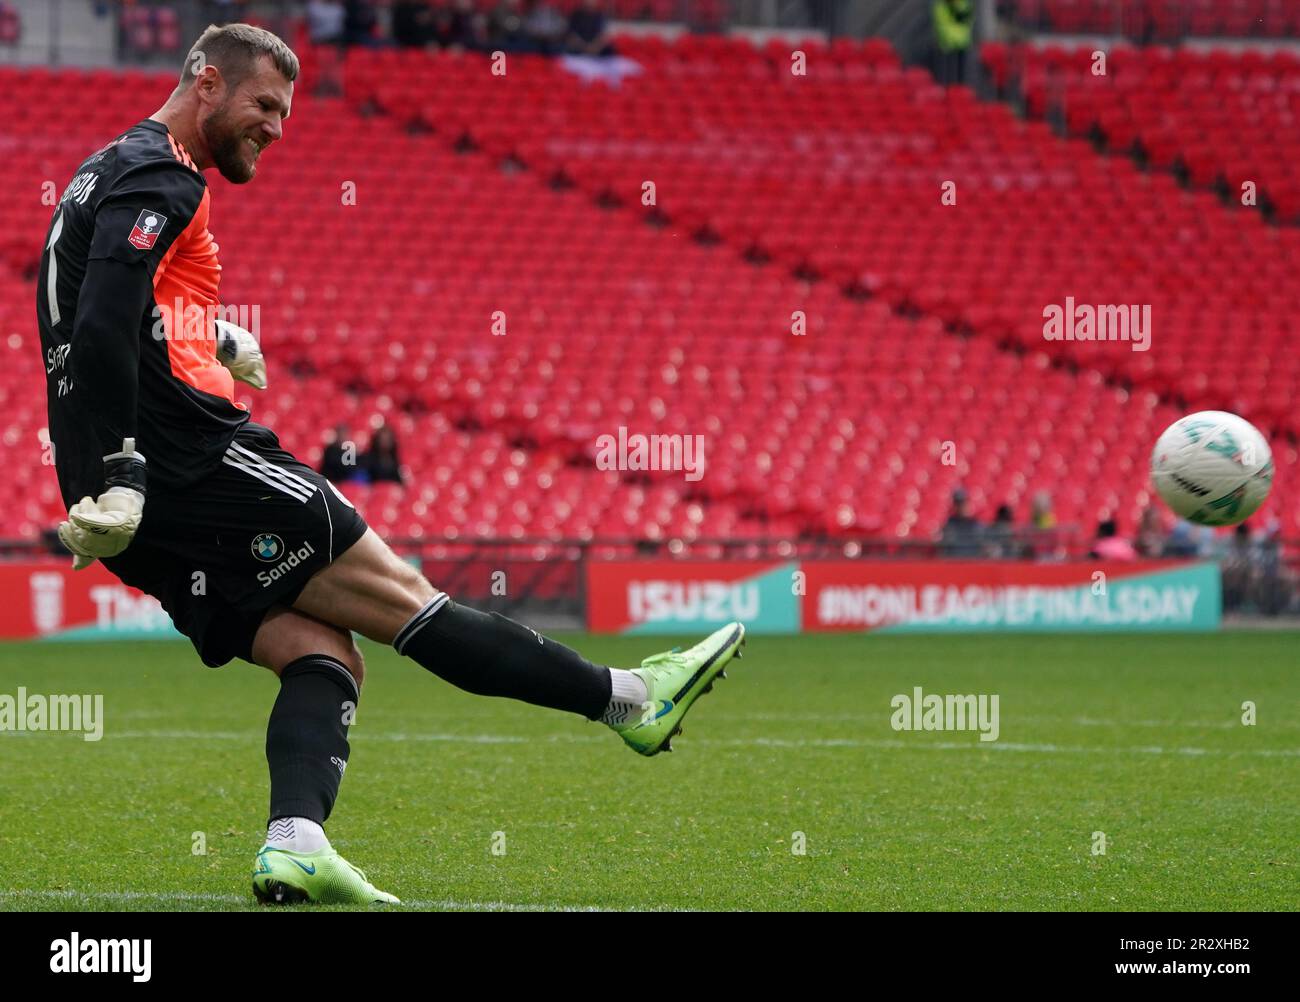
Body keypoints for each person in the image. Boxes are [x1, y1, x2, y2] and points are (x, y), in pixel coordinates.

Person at [37, 22, 746, 907]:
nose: (277, 127)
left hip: (127, 506)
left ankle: (295, 842)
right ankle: (631, 699)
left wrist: (206, 338)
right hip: (189, 461)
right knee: (409, 602)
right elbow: (101, 322)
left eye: (286, 112)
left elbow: (89, 307)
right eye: (263, 104)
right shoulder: (165, 176)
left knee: (320, 653)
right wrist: (128, 465)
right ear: (206, 82)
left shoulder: (109, 168)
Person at [932, 0, 973, 86]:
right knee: (947, 75)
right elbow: (941, 24)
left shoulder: (963, 4)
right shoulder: (942, 6)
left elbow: (967, 18)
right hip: (947, 45)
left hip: (962, 43)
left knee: (960, 75)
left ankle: (959, 92)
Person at [940, 488, 982, 557]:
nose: (961, 507)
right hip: (955, 561)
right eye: (958, 504)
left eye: (963, 503)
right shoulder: (950, 523)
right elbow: (945, 545)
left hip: (973, 561)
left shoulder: (975, 523)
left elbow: (981, 543)